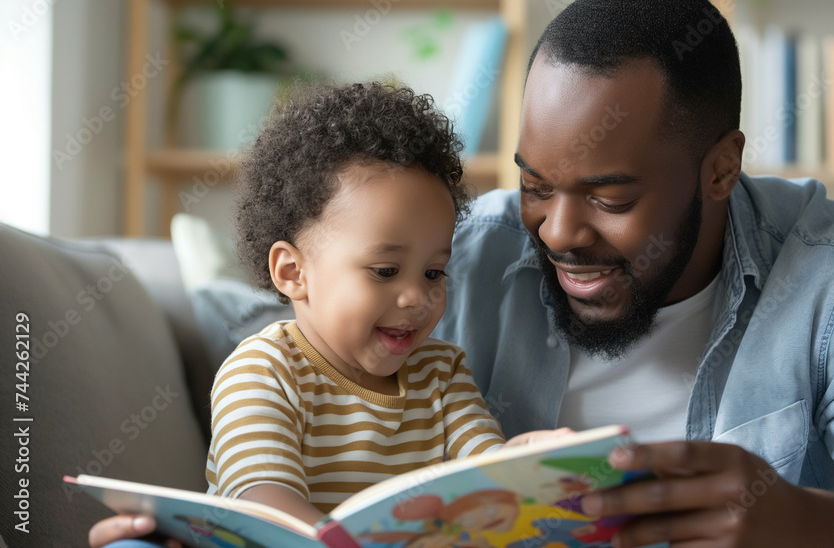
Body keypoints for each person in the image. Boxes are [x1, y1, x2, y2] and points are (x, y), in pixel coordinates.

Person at [91, 0, 834, 547]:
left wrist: (812, 531)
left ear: (721, 167)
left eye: (609, 197)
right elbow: (301, 346)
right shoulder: (463, 247)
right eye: (535, 184)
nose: (557, 233)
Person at [91, 82, 562, 548]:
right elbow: (263, 503)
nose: (417, 296)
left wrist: (529, 460)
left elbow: (490, 472)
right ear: (293, 272)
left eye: (434, 272)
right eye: (385, 270)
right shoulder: (262, 371)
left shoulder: (441, 374)